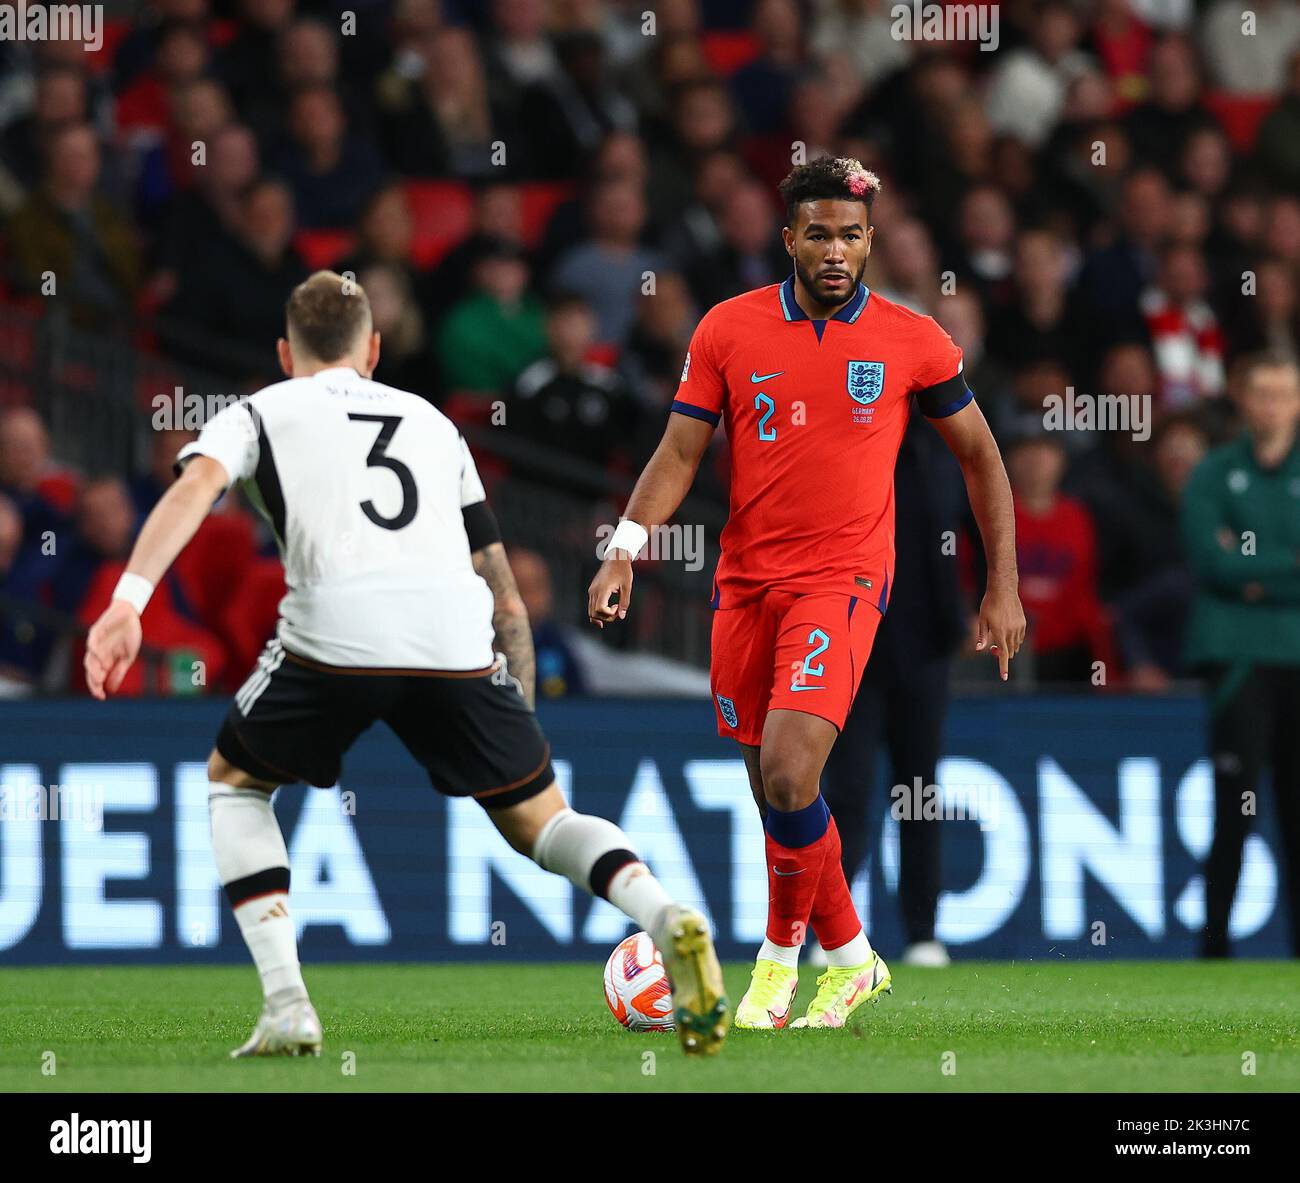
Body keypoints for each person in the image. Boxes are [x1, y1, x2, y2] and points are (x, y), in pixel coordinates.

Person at [83, 271, 728, 1058]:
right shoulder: (430, 421)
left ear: (287, 353)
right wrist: (513, 701)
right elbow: (499, 580)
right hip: (453, 641)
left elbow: (194, 489)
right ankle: (665, 916)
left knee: (237, 781)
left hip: (333, 634)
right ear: (375, 350)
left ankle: (288, 1004)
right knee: (543, 819)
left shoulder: (260, 409)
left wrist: (129, 600)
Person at [588, 157, 1026, 1030]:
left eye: (853, 236)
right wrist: (625, 547)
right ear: (789, 238)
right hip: (746, 584)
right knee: (776, 791)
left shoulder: (912, 340)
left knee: (792, 771)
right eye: (819, 234)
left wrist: (1001, 587)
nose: (836, 251)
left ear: (870, 243)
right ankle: (855, 957)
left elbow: (981, 456)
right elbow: (679, 453)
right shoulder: (727, 329)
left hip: (847, 578)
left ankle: (775, 967)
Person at [1180, 352, 1300, 958]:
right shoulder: (1215, 471)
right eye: (1263, 392)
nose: (1273, 404)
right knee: (1235, 807)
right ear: (1244, 401)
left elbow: (1235, 568)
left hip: (1291, 658)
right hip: (1238, 662)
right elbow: (1212, 562)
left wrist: (1251, 574)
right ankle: (1215, 947)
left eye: (1284, 392)